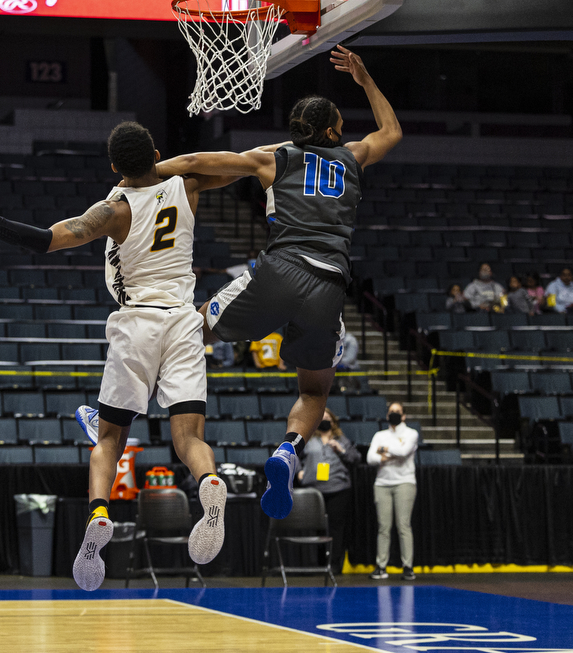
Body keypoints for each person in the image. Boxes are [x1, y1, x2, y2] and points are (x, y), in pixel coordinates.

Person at [0, 120, 237, 592]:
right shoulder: (189, 183)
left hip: (138, 322)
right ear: (156, 152)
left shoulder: (112, 210)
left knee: (110, 438)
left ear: (113, 165)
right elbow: (241, 165)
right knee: (189, 436)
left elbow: (45, 239)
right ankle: (209, 483)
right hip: (183, 321)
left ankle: (99, 513)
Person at [152, 45, 402, 522]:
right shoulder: (352, 156)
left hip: (279, 269)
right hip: (329, 285)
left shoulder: (274, 159)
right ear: (330, 130)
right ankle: (288, 450)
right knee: (313, 394)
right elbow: (391, 130)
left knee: (190, 329)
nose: (345, 128)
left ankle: (120, 405)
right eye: (339, 123)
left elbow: (199, 162)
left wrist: (149, 170)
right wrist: (365, 78)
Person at [296, 408, 360, 574]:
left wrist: (341, 450)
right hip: (314, 491)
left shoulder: (342, 439)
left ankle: (334, 564)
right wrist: (299, 471)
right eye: (321, 417)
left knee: (336, 529)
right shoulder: (308, 439)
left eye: (327, 418)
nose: (324, 420)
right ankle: (318, 563)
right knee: (316, 528)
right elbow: (293, 455)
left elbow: (355, 459)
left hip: (338, 489)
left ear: (333, 422)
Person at [367, 402, 419, 581]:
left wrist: (384, 450)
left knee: (403, 525)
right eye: (391, 412)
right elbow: (371, 458)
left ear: (403, 416)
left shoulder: (411, 434)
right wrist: (386, 455)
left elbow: (404, 452)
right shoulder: (380, 434)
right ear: (387, 415)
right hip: (382, 484)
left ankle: (408, 566)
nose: (394, 414)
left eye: (398, 412)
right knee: (384, 527)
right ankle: (381, 566)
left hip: (404, 483)